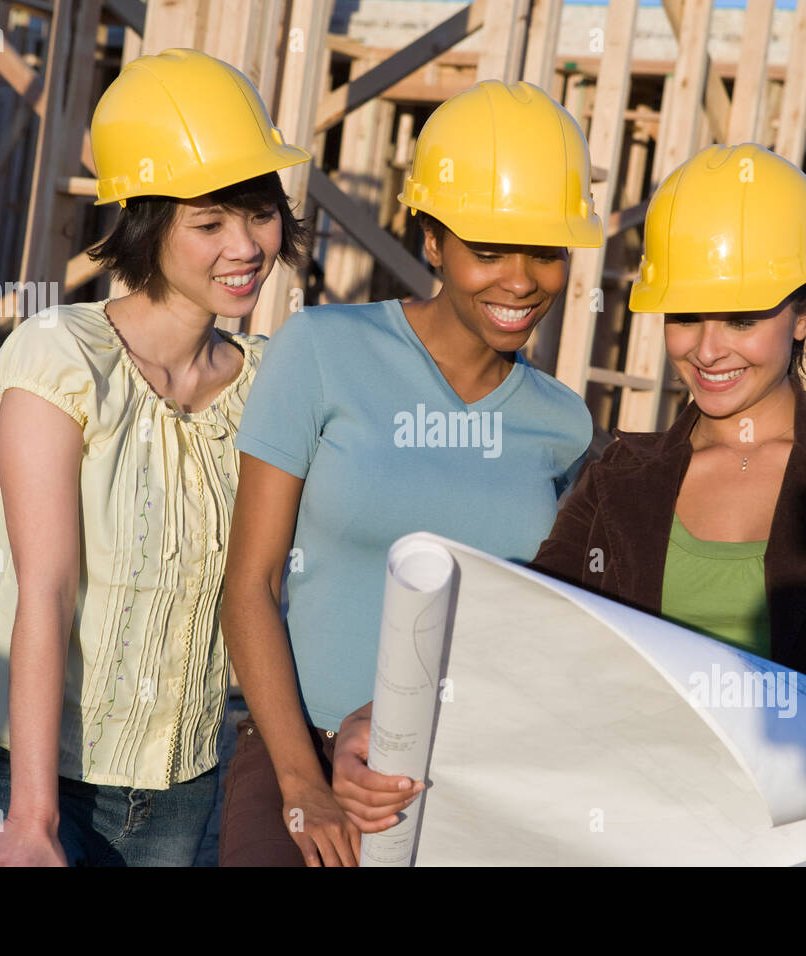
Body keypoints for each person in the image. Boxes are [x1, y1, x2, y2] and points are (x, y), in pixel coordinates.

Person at [332, 143, 806, 860]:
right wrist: (386, 722)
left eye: (740, 319)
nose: (707, 351)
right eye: (685, 317)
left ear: (804, 312)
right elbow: (529, 648)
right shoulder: (622, 477)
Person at [0, 49, 310, 866]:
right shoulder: (64, 353)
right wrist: (32, 819)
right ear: (145, 224)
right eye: (209, 223)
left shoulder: (270, 381)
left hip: (178, 787)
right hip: (22, 771)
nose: (245, 247)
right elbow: (47, 586)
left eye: (260, 214)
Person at [218, 80, 603, 867]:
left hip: (470, 771)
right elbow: (248, 583)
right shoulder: (321, 352)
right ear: (432, 240)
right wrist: (303, 781)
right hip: (306, 749)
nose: (521, 279)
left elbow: (536, 631)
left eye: (546, 251)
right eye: (488, 249)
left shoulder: (565, 424)